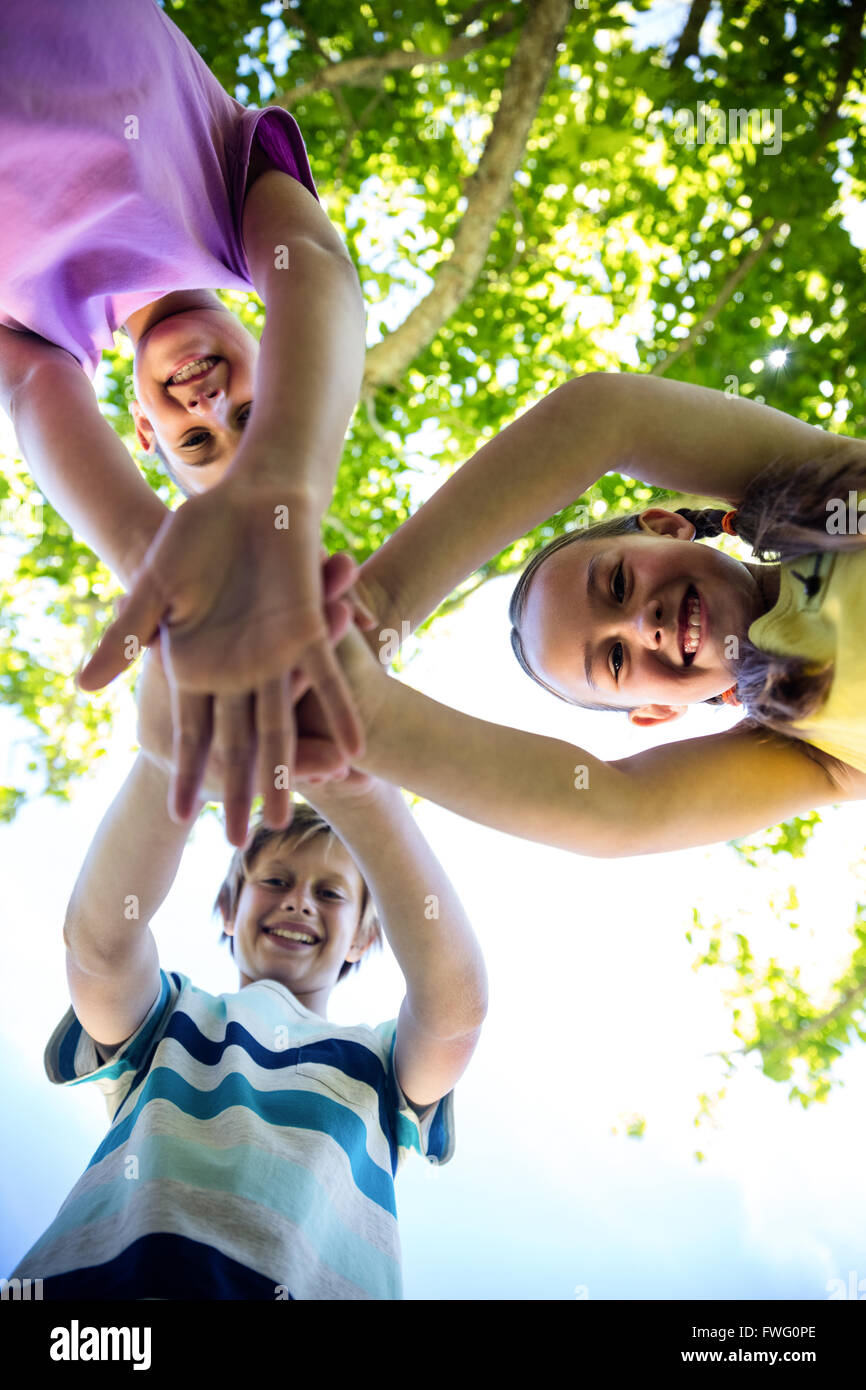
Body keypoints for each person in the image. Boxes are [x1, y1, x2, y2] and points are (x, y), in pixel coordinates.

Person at [0, 0, 370, 838]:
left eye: (197, 440)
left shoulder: (44, 339)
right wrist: (284, 480)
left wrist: (153, 560)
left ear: (143, 431)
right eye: (251, 410)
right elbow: (316, 265)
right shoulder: (238, 203)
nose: (208, 405)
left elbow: (30, 400)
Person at [293, 371, 866, 855]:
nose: (645, 625)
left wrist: (375, 608)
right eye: (615, 659)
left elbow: (611, 415)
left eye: (618, 583)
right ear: (657, 711)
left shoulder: (827, 487)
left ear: (665, 526)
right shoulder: (812, 752)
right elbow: (616, 810)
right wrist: (362, 719)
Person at [6, 734, 486, 1298]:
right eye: (276, 881)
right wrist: (173, 758)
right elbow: (99, 945)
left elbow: (454, 1009)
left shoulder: (384, 1062)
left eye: (330, 893)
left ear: (362, 938)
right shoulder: (168, 1016)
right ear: (231, 909)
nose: (299, 901)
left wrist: (366, 798)